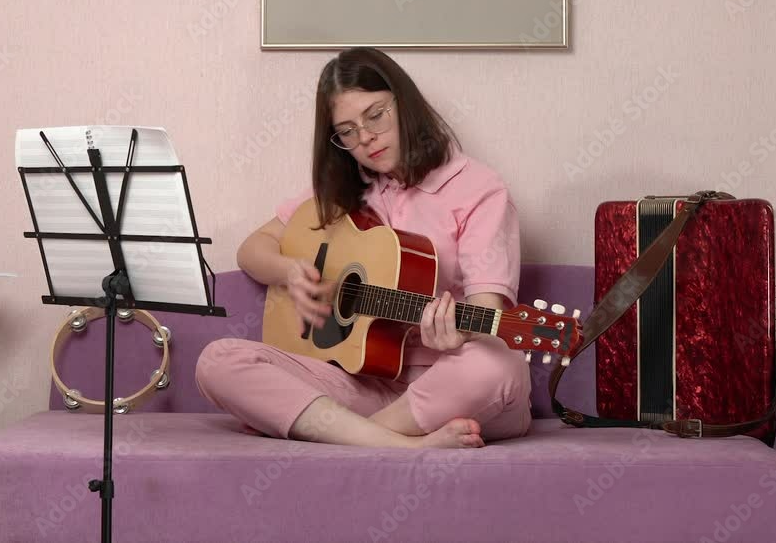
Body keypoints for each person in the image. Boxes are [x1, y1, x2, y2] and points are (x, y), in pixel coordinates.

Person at [196, 47, 530, 449]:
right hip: (361, 382)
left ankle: (343, 432)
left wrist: (455, 338)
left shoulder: (478, 188)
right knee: (218, 360)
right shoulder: (347, 193)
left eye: (375, 115)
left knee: (499, 363)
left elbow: (489, 309)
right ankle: (401, 444)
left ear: (405, 103)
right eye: (348, 131)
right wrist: (291, 272)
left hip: (444, 386)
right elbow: (253, 249)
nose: (366, 138)